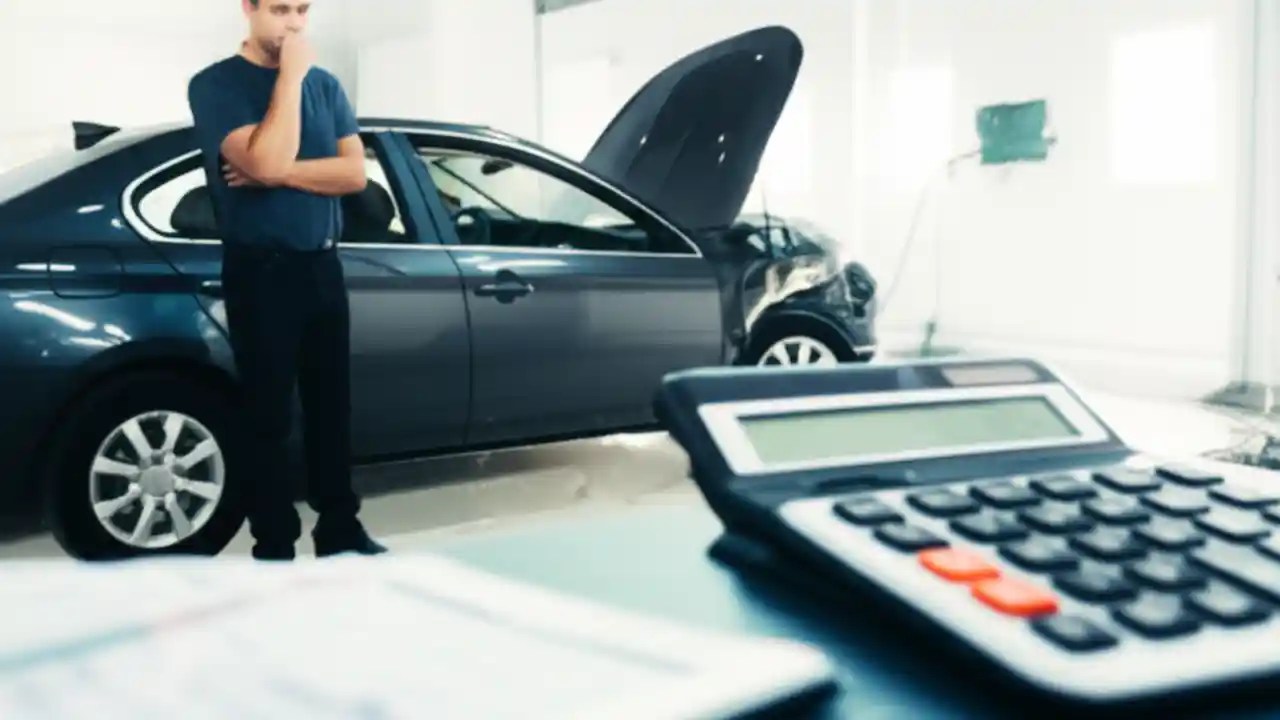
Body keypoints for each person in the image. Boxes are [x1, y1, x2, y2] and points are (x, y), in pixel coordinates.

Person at [187, 0, 385, 560]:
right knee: (268, 413)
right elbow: (267, 157)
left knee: (332, 407)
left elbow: (352, 174)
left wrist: (274, 173)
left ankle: (339, 528)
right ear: (247, 9)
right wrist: (291, 76)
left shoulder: (328, 85)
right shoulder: (215, 85)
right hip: (261, 269)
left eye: (302, 9)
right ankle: (273, 541)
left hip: (322, 265)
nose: (294, 23)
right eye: (280, 9)